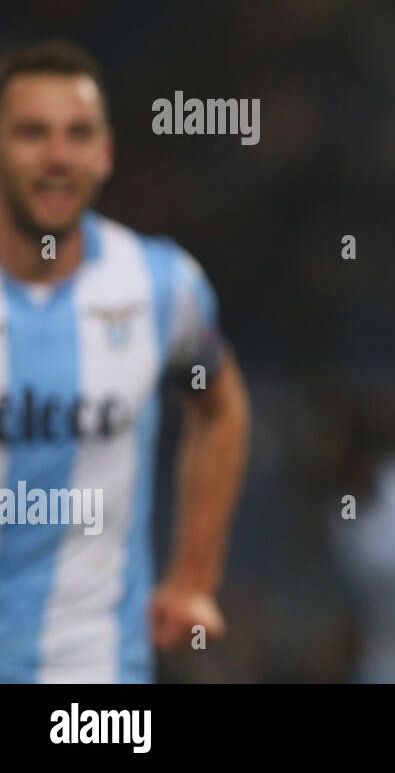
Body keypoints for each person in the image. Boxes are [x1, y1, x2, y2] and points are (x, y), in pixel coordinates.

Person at [0, 39, 250, 682]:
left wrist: (194, 578)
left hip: (93, 670)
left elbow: (219, 406)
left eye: (78, 135)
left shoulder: (159, 286)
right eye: (32, 133)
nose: (58, 157)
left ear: (105, 153)